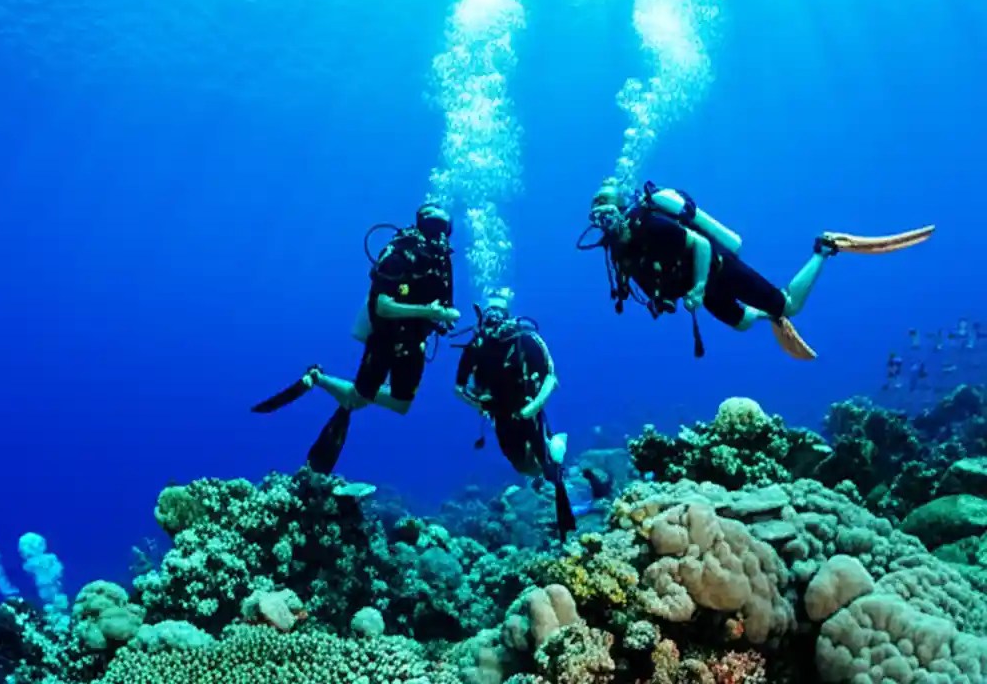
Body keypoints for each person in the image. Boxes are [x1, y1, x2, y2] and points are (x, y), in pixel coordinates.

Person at [579, 178, 935, 359]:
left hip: (718, 270)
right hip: (699, 288)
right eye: (598, 218)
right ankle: (773, 318)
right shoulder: (617, 250)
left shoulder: (651, 225)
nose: (605, 223)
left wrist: (699, 288)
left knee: (789, 304)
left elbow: (700, 244)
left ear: (623, 210)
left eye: (609, 214)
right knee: (744, 322)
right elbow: (640, 281)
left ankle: (826, 248)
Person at [252, 204, 461, 473]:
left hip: (414, 340)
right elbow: (382, 306)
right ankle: (318, 378)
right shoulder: (397, 253)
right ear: (422, 226)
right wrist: (430, 311)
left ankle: (338, 389)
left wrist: (446, 315)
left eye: (445, 230)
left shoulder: (442, 261)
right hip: (385, 337)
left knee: (400, 404)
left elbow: (445, 304)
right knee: (360, 397)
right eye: (436, 228)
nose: (441, 235)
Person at [454, 295, 577, 539]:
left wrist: (532, 408)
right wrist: (479, 404)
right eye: (490, 311)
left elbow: (551, 376)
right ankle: (545, 469)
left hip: (527, 411)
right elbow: (458, 387)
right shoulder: (476, 346)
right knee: (521, 465)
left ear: (508, 315)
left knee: (548, 466)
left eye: (500, 311)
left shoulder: (525, 339)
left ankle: (566, 519)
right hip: (500, 416)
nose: (494, 316)